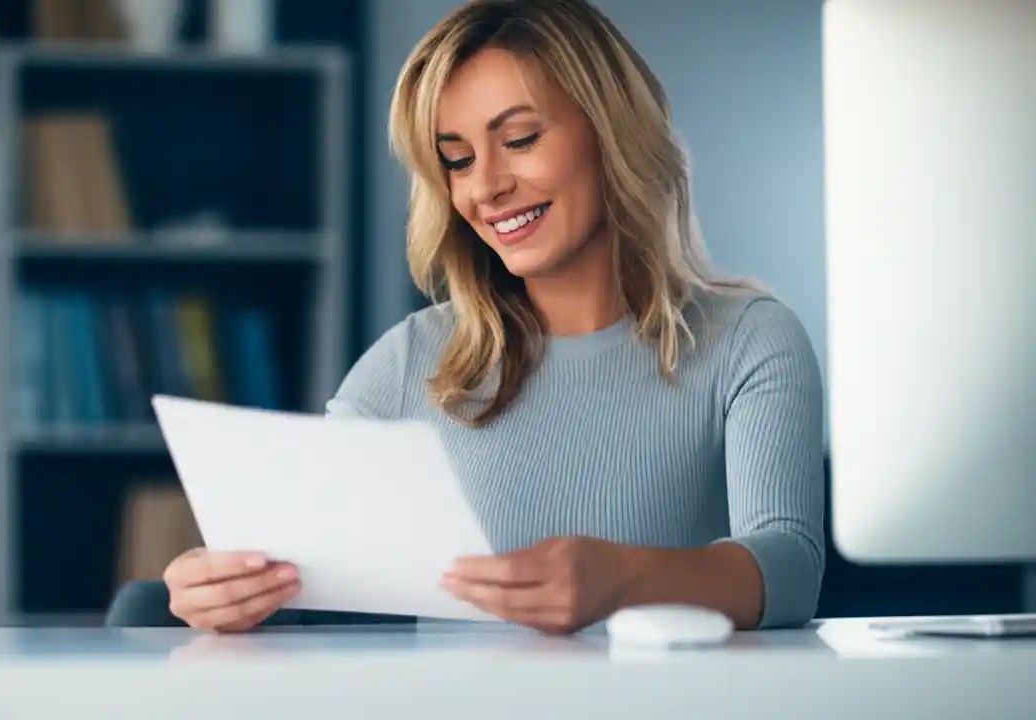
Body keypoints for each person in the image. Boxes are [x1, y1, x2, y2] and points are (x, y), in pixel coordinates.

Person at [157, 0, 824, 635]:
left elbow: (790, 567)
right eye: (457, 160)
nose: (486, 186)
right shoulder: (409, 359)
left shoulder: (749, 339)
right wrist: (212, 582)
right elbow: (285, 552)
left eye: (521, 138)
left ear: (612, 132)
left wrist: (620, 578)